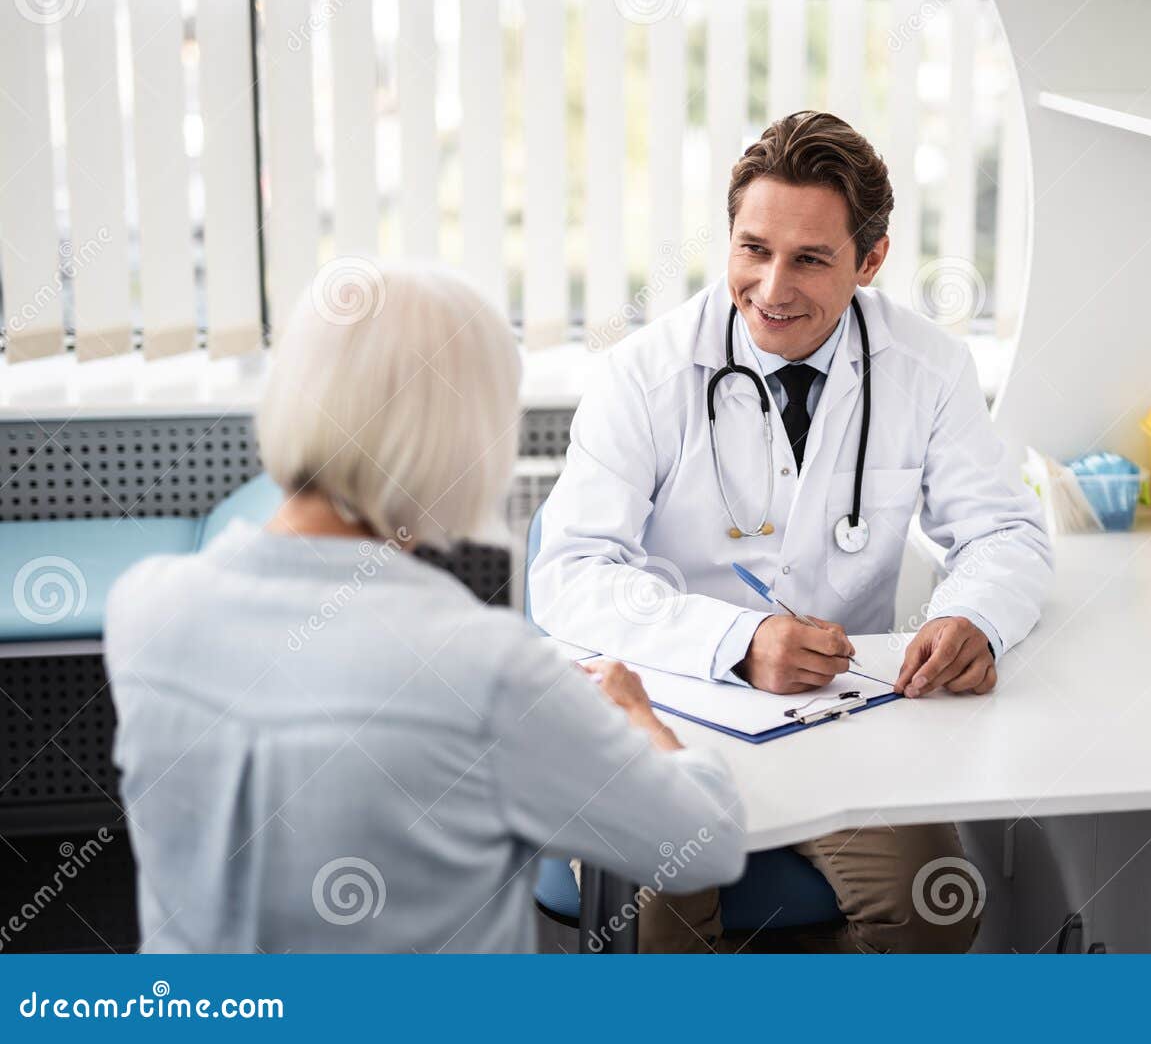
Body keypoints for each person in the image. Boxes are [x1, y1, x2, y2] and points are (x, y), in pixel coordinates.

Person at [529, 111, 1053, 952]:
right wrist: (741, 640)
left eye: (810, 259)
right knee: (662, 919)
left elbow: (1003, 534)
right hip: (666, 704)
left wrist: (976, 619)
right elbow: (571, 574)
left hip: (837, 720)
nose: (772, 289)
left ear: (870, 260)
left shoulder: (928, 368)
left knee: (932, 905)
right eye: (753, 249)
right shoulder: (644, 374)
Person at [104, 266, 744, 952]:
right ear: (462, 439)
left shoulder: (146, 606)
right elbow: (705, 847)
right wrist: (641, 719)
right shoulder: (483, 666)